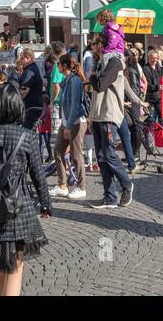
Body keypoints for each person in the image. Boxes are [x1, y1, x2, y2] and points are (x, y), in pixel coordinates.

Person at [0, 83, 52, 296]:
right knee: (15, 266)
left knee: (1, 266)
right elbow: (38, 176)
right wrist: (45, 204)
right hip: (18, 209)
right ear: (18, 108)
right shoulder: (27, 137)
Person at [87, 33, 133, 209]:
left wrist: (90, 75)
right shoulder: (100, 63)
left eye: (95, 45)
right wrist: (91, 115)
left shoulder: (114, 62)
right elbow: (94, 93)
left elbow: (100, 85)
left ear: (104, 45)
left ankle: (127, 184)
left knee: (109, 154)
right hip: (98, 114)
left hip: (109, 113)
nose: (93, 48)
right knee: (101, 157)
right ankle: (109, 197)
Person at [50, 55, 88, 200]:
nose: (57, 66)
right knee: (58, 150)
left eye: (59, 64)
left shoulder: (75, 81)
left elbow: (75, 104)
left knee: (76, 155)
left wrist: (69, 125)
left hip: (76, 122)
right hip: (67, 122)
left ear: (64, 65)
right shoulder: (67, 80)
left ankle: (81, 187)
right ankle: (62, 185)